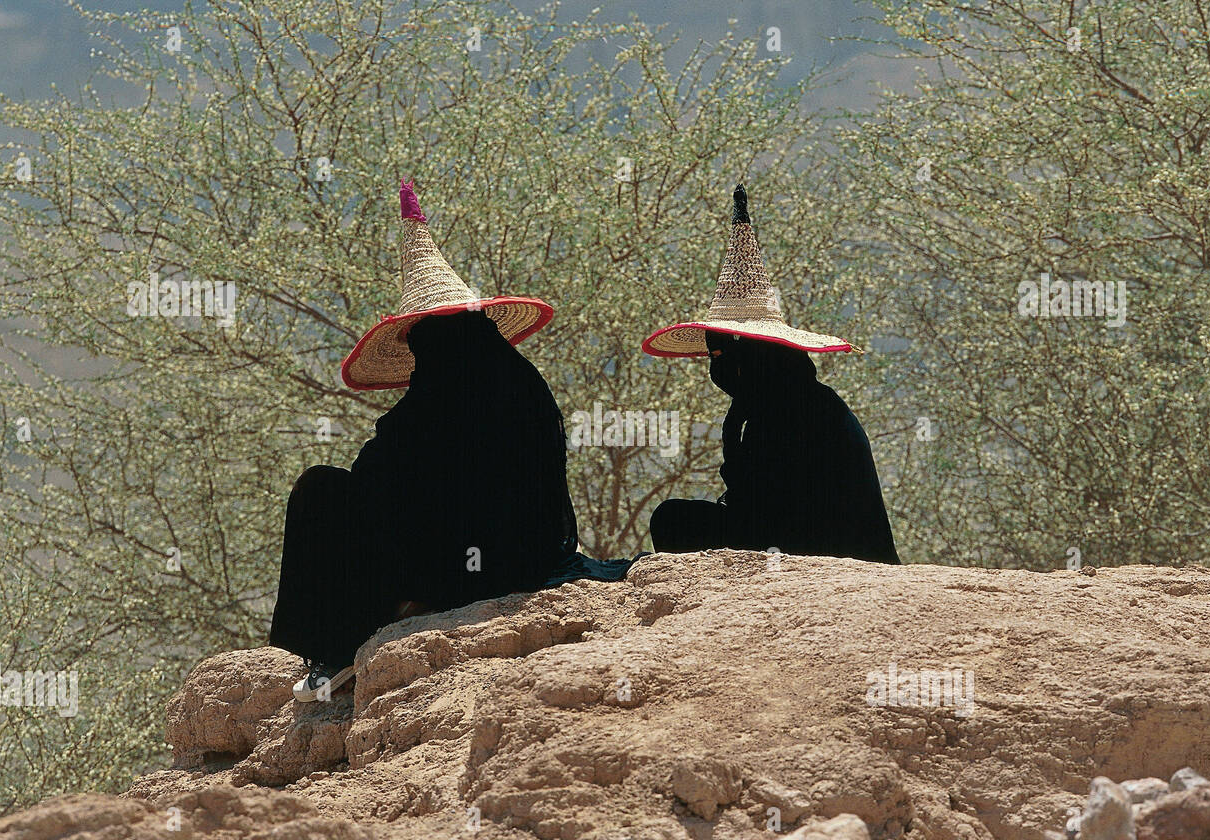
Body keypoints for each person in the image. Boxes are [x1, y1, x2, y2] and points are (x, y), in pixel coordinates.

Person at [270, 180, 629, 702]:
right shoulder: (523, 381)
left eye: (423, 343)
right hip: (529, 559)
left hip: (465, 573)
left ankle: (340, 647)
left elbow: (376, 476)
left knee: (321, 490)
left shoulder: (434, 401)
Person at [642, 184, 900, 565]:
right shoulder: (801, 398)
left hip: (820, 554)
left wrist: (732, 433)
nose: (720, 370)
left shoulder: (790, 412)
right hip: (816, 541)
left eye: (725, 355)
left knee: (671, 519)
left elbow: (756, 509)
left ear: (756, 357)